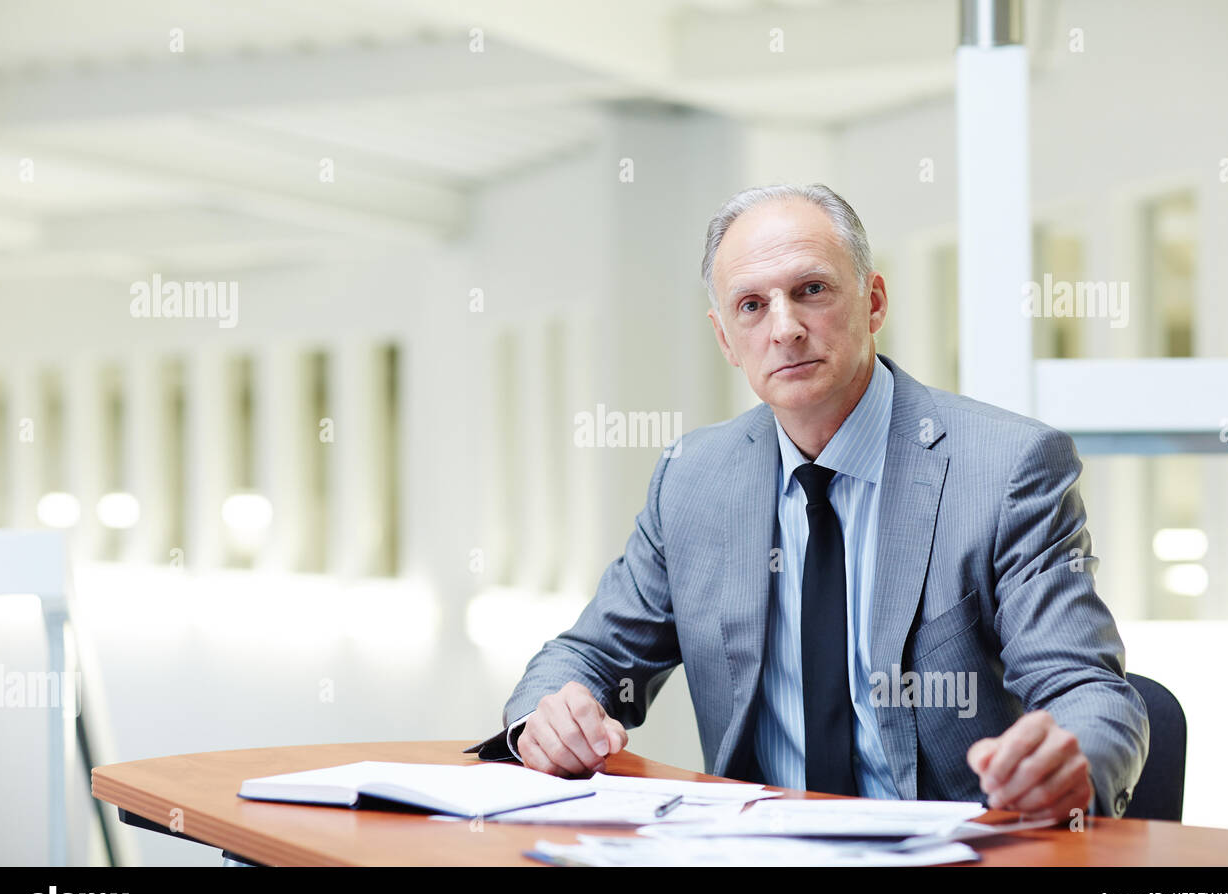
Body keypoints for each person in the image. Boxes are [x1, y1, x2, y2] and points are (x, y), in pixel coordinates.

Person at [469, 183, 1148, 821]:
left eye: (811, 290)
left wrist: (1069, 766)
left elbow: (1088, 692)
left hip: (956, 857)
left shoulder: (1006, 469)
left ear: (874, 301)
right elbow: (588, 659)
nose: (785, 327)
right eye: (752, 306)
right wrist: (546, 718)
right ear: (725, 338)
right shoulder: (693, 481)